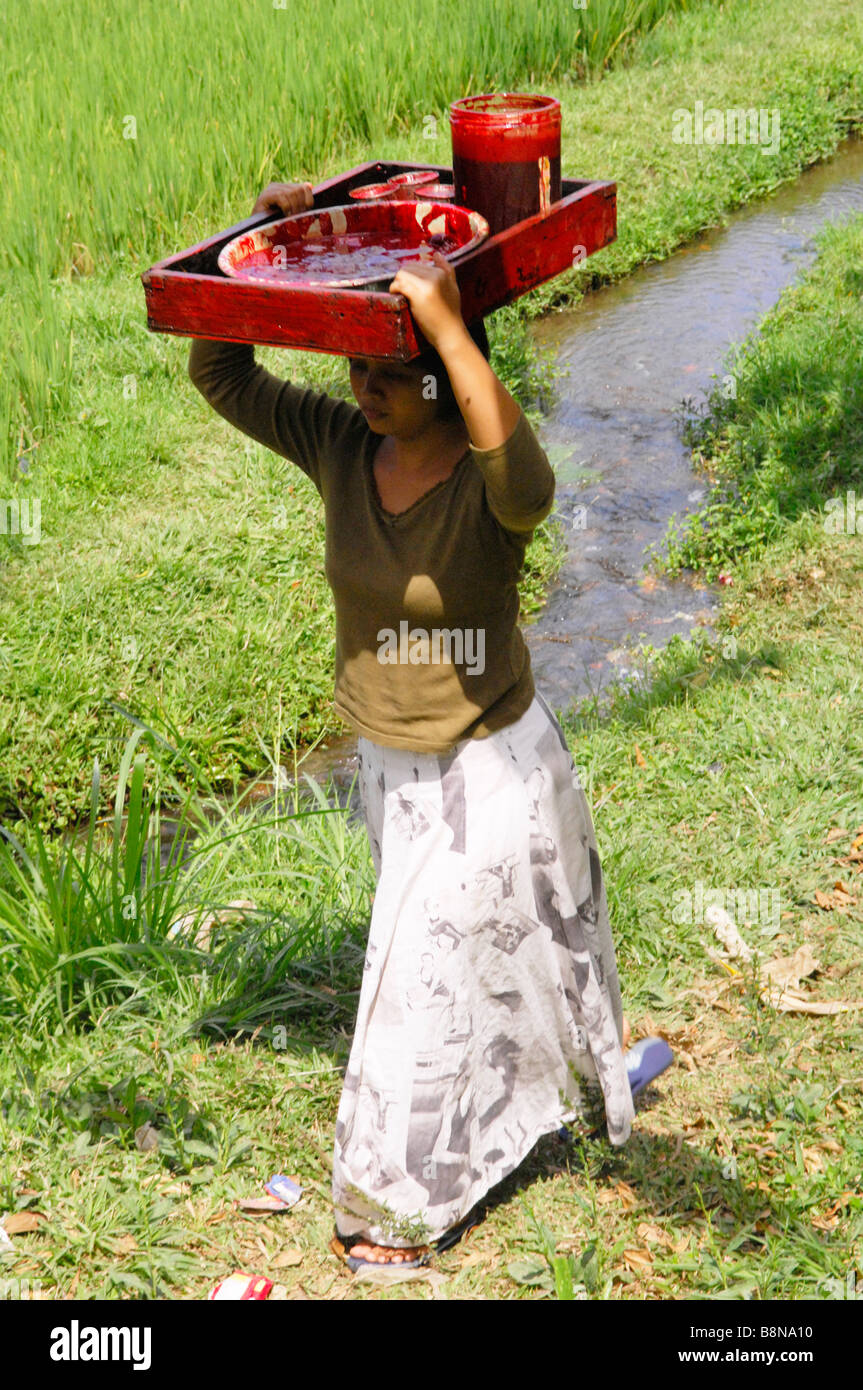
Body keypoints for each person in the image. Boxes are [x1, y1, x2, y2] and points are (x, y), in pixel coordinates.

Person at [188, 180, 635, 1270]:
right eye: (359, 365)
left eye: (397, 371)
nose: (367, 389)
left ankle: (382, 1209)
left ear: (451, 375)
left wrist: (442, 321)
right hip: (387, 766)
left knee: (415, 999)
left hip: (490, 770)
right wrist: (277, 242)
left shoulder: (488, 488)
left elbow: (526, 480)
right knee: (487, 965)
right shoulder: (343, 446)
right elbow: (219, 367)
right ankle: (542, 1111)